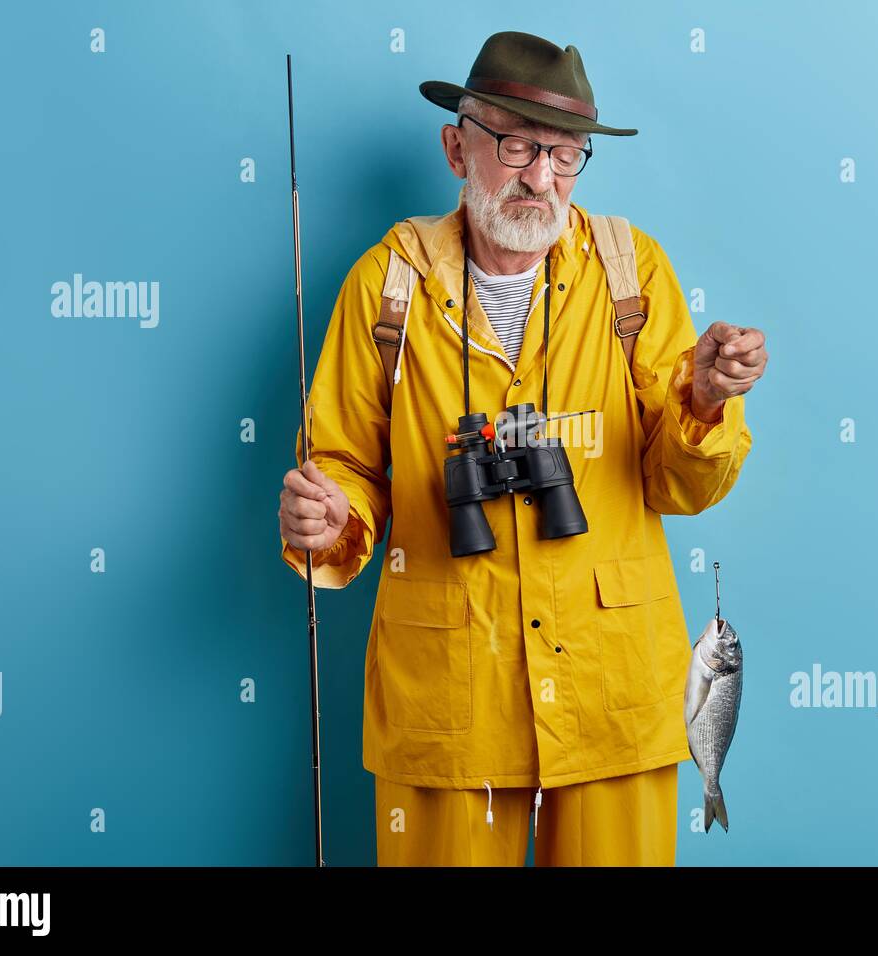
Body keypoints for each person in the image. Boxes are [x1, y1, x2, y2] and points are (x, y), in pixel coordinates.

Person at [277, 30, 767, 866]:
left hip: (612, 692)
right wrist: (327, 519)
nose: (542, 177)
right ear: (455, 145)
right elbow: (347, 469)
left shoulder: (631, 273)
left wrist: (706, 401)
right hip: (448, 700)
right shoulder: (384, 286)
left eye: (567, 154)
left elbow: (679, 486)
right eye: (517, 146)